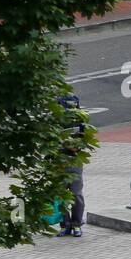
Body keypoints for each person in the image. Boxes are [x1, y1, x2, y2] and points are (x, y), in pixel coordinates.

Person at [57, 94, 86, 238]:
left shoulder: (81, 121)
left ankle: (76, 224)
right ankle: (65, 225)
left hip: (74, 161)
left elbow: (84, 141)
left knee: (76, 194)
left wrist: (74, 147)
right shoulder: (55, 121)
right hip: (58, 162)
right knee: (60, 195)